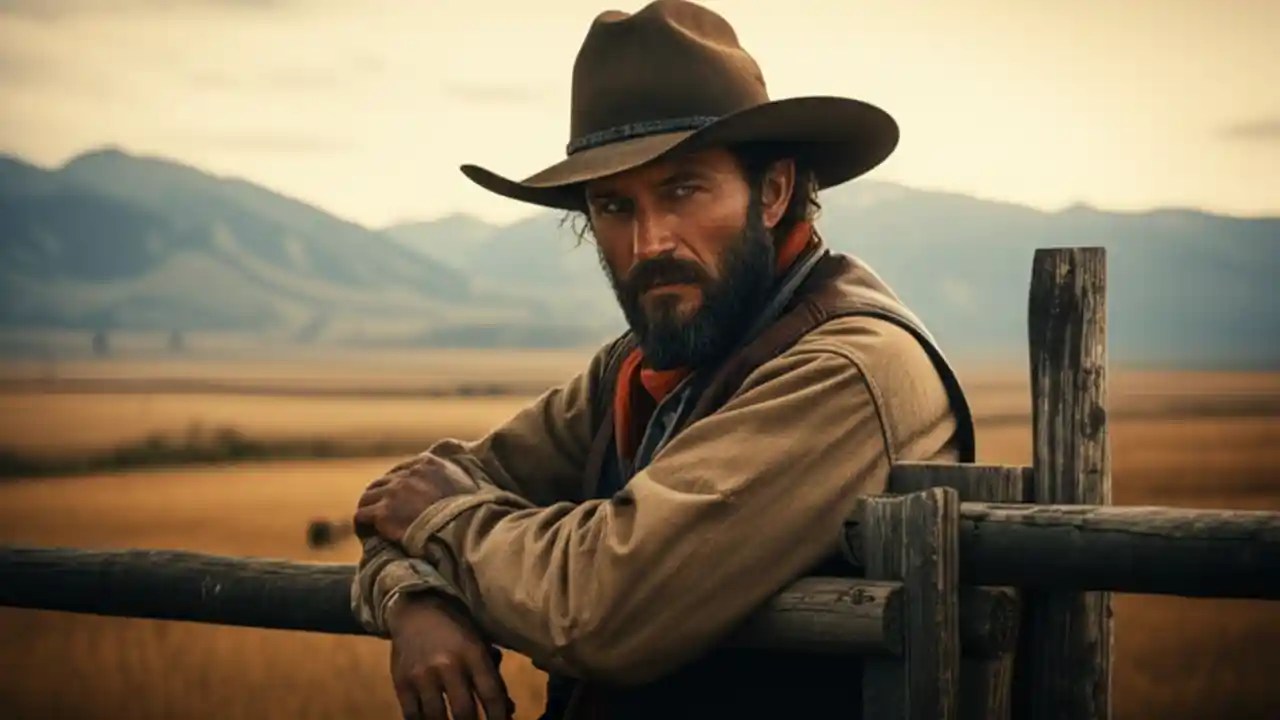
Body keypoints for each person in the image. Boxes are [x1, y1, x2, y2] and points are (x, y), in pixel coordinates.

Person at [350, 1, 975, 718]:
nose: (649, 244)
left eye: (682, 190)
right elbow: (401, 501)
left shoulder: (850, 370)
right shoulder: (639, 367)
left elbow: (602, 607)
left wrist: (445, 527)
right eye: (614, 207)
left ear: (772, 192)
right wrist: (414, 593)